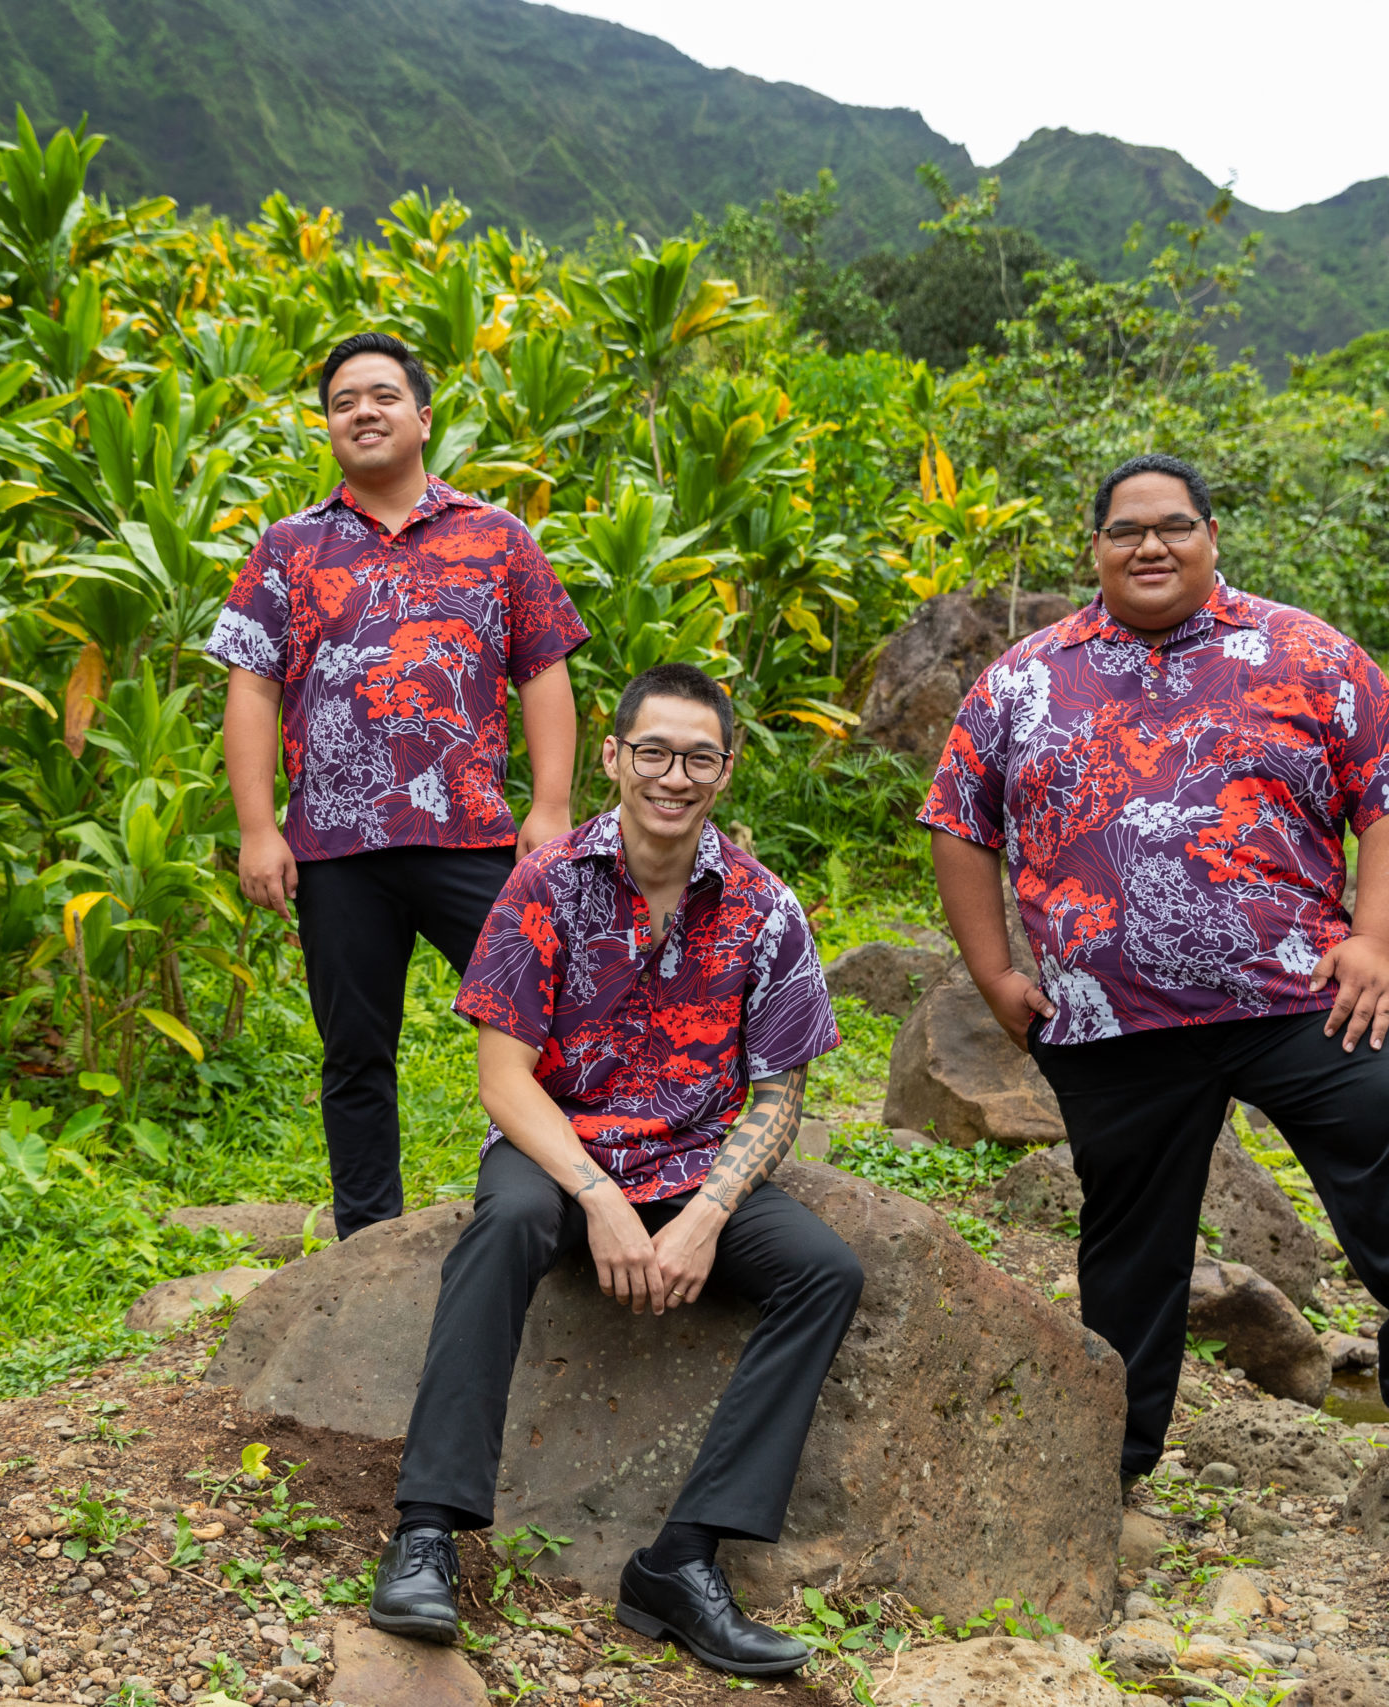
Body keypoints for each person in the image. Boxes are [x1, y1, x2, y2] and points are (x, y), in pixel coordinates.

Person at [921, 452, 1389, 1490]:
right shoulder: (1023, 679)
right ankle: (1112, 1460)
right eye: (1125, 529)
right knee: (1130, 1243)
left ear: (1211, 538)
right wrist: (996, 972)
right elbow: (960, 822)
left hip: (1298, 993)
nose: (1150, 544)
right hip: (1113, 1015)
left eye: (1173, 525)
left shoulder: (1304, 650)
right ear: (1093, 549)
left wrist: (1375, 940)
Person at [368, 663, 861, 1680]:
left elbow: (779, 1097)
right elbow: (502, 1081)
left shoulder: (767, 909)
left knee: (825, 1270)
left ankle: (681, 1564)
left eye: (696, 757)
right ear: (613, 757)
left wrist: (703, 1217)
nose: (672, 777)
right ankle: (426, 1535)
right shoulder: (544, 881)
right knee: (500, 1228)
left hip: (689, 1160)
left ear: (723, 771)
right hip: (555, 1150)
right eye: (653, 752)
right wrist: (595, 1197)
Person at [209, 332, 587, 1237]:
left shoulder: (497, 538)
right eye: (344, 402)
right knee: (354, 1054)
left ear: (423, 417)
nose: (363, 411)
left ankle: (575, 1198)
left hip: (475, 837)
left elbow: (544, 671)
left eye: (382, 395)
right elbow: (252, 687)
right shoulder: (289, 548)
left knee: (548, 1019)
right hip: (336, 850)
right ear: (330, 429)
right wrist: (260, 829)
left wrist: (551, 806)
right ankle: (368, 1240)